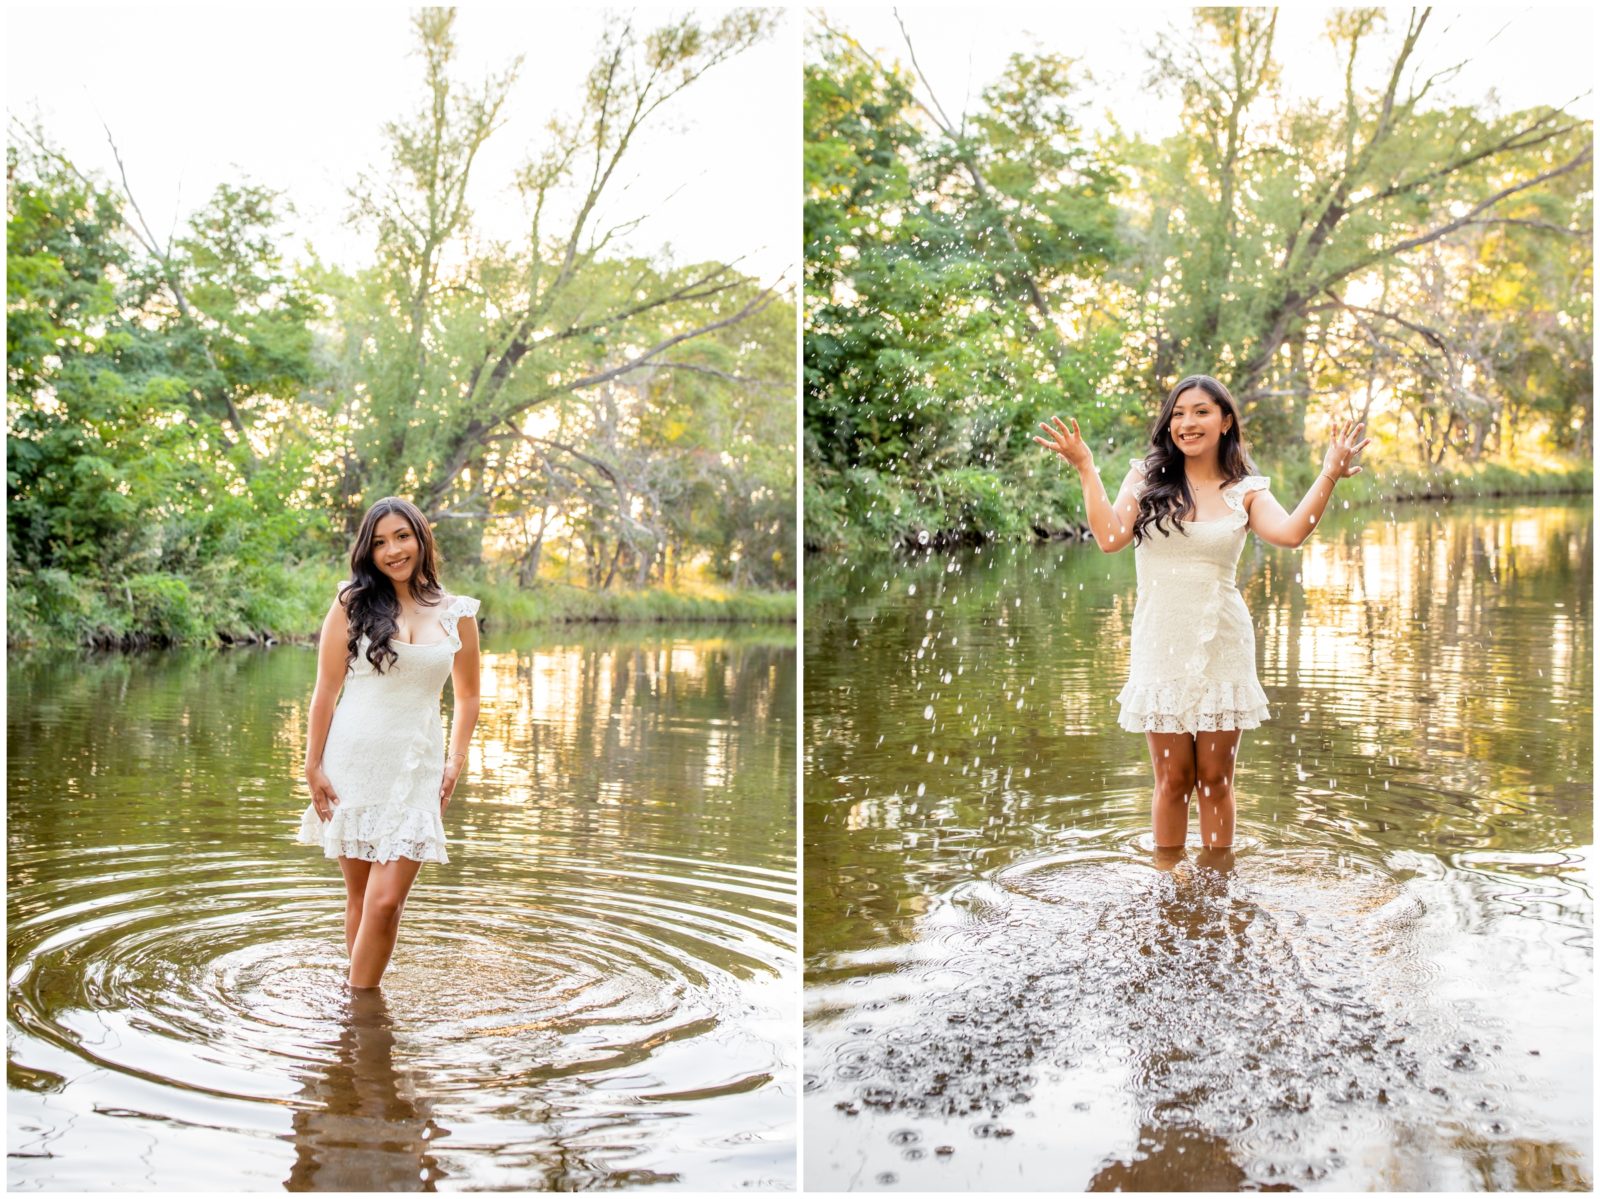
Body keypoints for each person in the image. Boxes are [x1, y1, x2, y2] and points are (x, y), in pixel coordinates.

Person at [1036, 374, 1368, 852]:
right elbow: (1110, 538)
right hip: (1160, 641)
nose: (1187, 423)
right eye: (1178, 413)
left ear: (1225, 421)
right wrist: (1086, 466)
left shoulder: (1245, 490)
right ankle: (1169, 886)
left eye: (1201, 412)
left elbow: (1292, 533)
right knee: (1172, 780)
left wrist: (1330, 474)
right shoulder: (1146, 477)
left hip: (1223, 643)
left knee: (1214, 780)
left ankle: (1217, 886)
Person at [296, 497, 481, 988]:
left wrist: (454, 762)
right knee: (359, 898)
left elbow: (468, 695)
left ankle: (356, 1012)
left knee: (386, 901)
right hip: (351, 761)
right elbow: (325, 691)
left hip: (417, 767)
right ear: (367, 551)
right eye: (379, 543)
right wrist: (312, 765)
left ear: (421, 537)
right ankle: (359, 1017)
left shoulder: (457, 613)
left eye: (402, 536)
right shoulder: (351, 603)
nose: (393, 550)